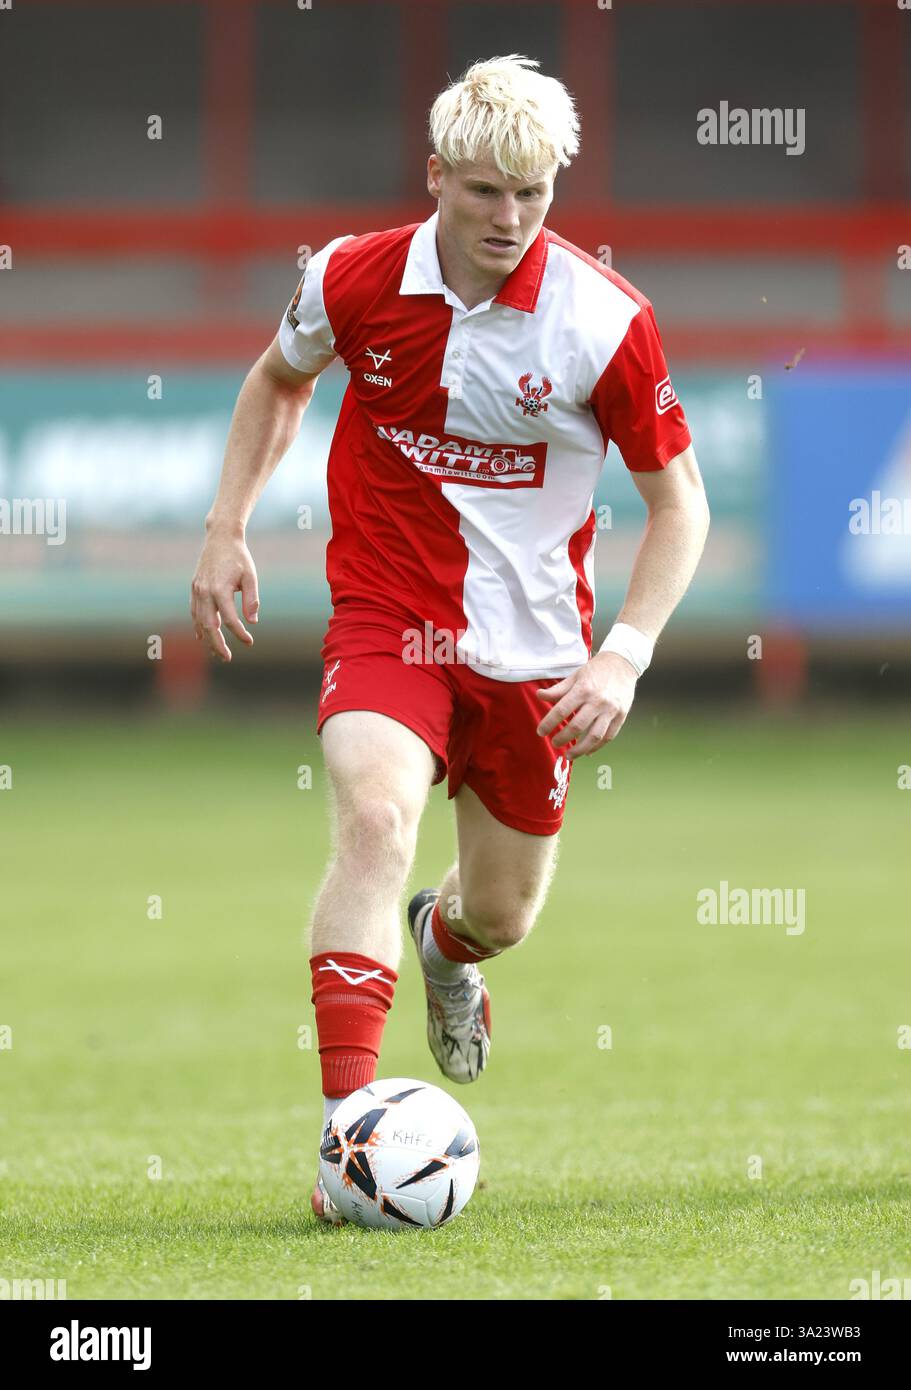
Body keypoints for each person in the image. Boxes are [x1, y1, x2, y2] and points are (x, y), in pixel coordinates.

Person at [190, 54, 710, 1223]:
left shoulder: (601, 322)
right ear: (435, 178)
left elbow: (680, 503)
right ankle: (347, 1142)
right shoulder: (354, 277)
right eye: (482, 191)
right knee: (375, 818)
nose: (509, 218)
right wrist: (226, 525)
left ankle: (443, 943)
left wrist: (620, 652)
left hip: (533, 660)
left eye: (532, 193)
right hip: (388, 614)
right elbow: (278, 382)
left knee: (503, 915)